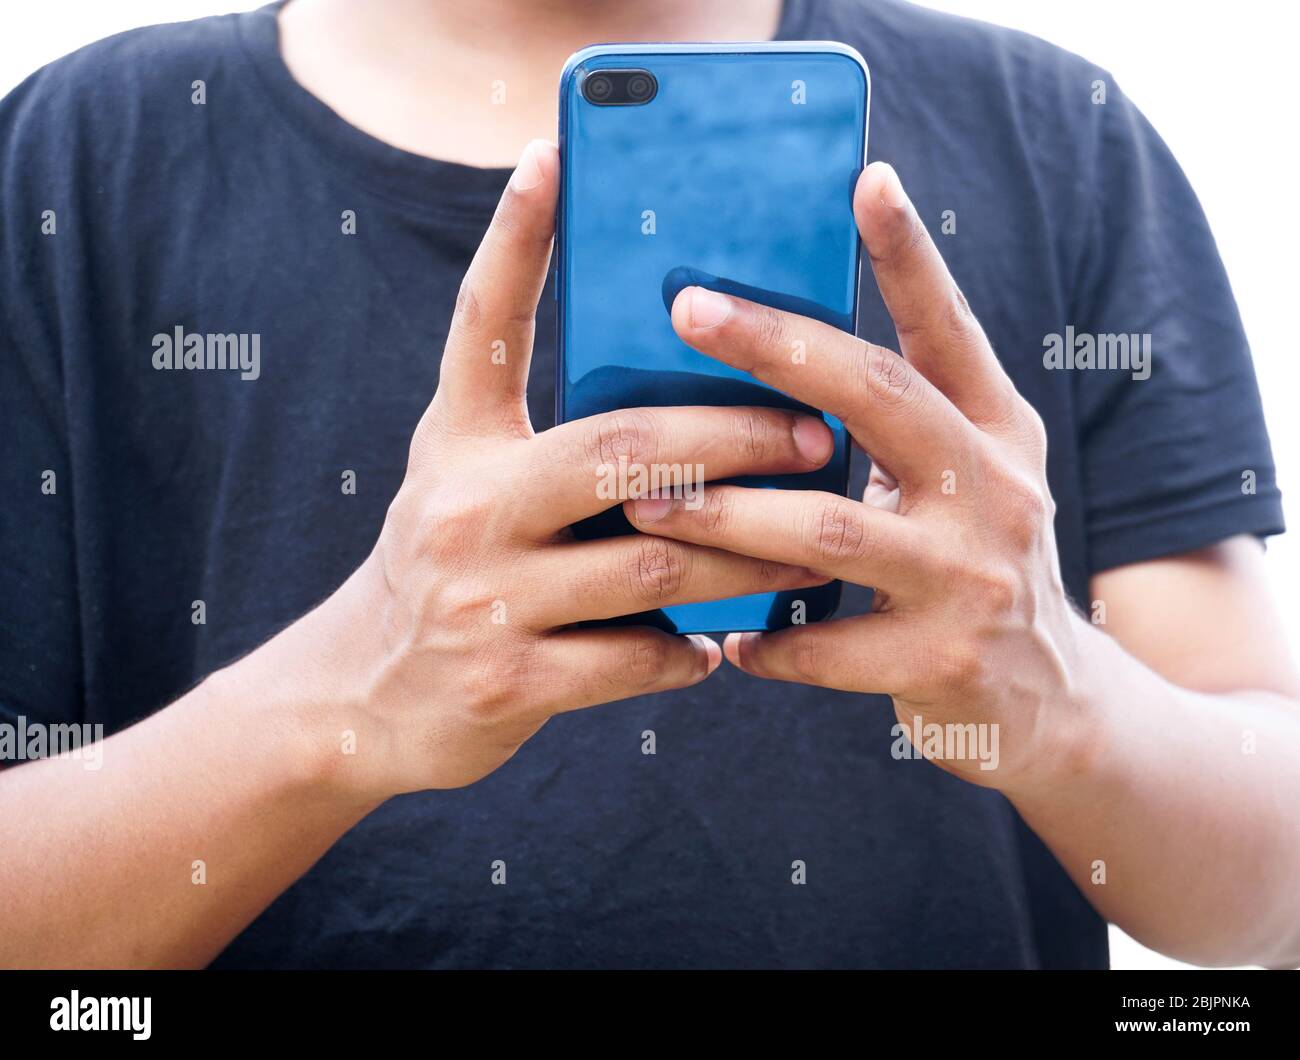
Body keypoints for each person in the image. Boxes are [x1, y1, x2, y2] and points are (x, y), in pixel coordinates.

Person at [1, 0, 1296, 970]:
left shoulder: (1057, 137)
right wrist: (346, 695)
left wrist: (1060, 694)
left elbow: (1273, 879)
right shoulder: (73, 161)